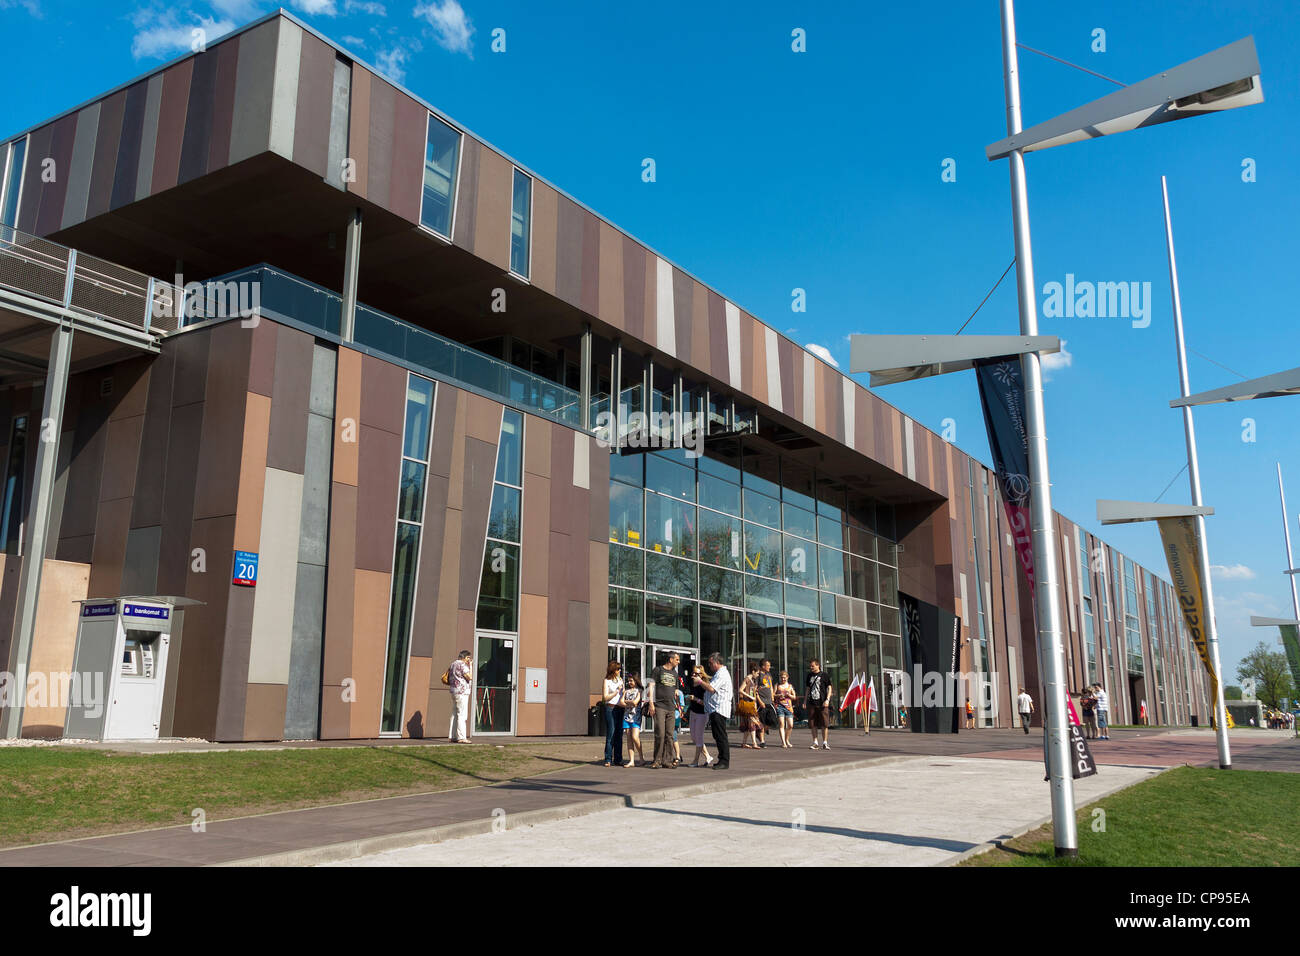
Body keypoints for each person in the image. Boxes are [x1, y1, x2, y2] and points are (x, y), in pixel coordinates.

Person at [695, 653, 733, 769]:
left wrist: (700, 682)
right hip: (715, 709)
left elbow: (711, 688)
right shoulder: (718, 674)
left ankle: (724, 761)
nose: (710, 666)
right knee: (718, 735)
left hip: (719, 709)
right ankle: (722, 759)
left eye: (711, 663)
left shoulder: (722, 674)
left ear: (717, 663)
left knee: (720, 736)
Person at [647, 651, 681, 769]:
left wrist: (679, 706)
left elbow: (676, 690)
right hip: (660, 706)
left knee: (669, 735)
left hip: (671, 708)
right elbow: (651, 686)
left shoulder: (675, 673)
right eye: (677, 659)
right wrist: (651, 703)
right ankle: (657, 760)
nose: (678, 662)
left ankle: (667, 761)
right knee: (660, 734)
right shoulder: (658, 670)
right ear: (671, 659)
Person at [687, 665, 714, 767]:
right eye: (693, 673)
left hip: (702, 713)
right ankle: (707, 756)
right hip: (693, 712)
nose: (694, 675)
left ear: (702, 675)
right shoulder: (692, 683)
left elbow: (706, 703)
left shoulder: (704, 686)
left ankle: (695, 761)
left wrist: (695, 699)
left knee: (699, 737)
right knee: (694, 738)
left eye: (697, 674)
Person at [805, 659, 833, 750]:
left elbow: (829, 687)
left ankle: (825, 742)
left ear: (818, 666)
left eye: (813, 666)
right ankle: (815, 742)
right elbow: (808, 689)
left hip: (822, 702)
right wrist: (805, 701)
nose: (811, 667)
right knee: (813, 723)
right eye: (810, 666)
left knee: (824, 723)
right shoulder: (809, 675)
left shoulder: (824, 675)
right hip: (812, 702)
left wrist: (827, 699)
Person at [601, 660, 625, 766]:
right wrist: (615, 692)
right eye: (618, 669)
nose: (619, 671)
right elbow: (605, 697)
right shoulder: (607, 681)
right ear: (613, 670)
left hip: (620, 708)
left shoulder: (620, 680)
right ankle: (608, 758)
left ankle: (618, 758)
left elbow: (623, 694)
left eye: (620, 669)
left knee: (619, 734)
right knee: (611, 733)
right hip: (610, 708)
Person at [447, 649, 473, 743]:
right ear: (464, 657)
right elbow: (469, 677)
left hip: (454, 691)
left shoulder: (453, 664)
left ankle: (452, 736)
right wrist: (470, 666)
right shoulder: (462, 665)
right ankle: (461, 737)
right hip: (462, 692)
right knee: (462, 714)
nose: (469, 660)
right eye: (468, 658)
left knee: (454, 713)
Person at [621, 673, 645, 767]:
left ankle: (641, 757)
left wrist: (627, 702)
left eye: (631, 680)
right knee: (629, 739)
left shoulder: (639, 690)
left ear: (636, 681)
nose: (629, 682)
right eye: (629, 680)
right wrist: (629, 703)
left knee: (635, 737)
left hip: (636, 717)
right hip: (626, 717)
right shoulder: (626, 691)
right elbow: (620, 702)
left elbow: (635, 702)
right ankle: (631, 760)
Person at [738, 663, 761, 749]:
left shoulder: (753, 680)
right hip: (747, 704)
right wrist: (750, 696)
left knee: (749, 724)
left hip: (751, 704)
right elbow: (740, 690)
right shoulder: (747, 679)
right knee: (752, 723)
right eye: (757, 673)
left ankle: (744, 743)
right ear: (753, 671)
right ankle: (754, 743)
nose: (758, 675)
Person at [755, 659, 776, 748]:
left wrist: (772, 697)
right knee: (762, 722)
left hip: (769, 701)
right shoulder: (758, 675)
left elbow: (770, 686)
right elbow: (755, 690)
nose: (769, 667)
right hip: (762, 702)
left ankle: (760, 732)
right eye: (767, 665)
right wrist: (759, 701)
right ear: (763, 666)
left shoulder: (768, 675)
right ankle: (762, 741)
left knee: (772, 720)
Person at [774, 670, 796, 748]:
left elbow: (794, 697)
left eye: (784, 678)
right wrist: (779, 695)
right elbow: (773, 695)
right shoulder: (777, 685)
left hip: (788, 707)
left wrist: (789, 695)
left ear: (787, 677)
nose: (783, 679)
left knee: (790, 725)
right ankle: (783, 742)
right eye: (782, 678)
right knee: (781, 724)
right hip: (779, 706)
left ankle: (787, 739)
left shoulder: (790, 686)